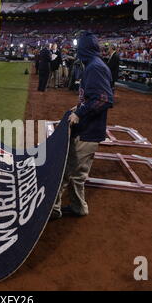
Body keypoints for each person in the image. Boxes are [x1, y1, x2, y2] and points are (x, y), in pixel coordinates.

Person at [51, 32, 113, 219]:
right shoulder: (96, 65)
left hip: (88, 131)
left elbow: (104, 99)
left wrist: (80, 112)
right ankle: (75, 208)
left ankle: (58, 209)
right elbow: (94, 97)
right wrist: (80, 106)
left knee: (70, 171)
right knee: (75, 173)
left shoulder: (95, 67)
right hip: (88, 129)